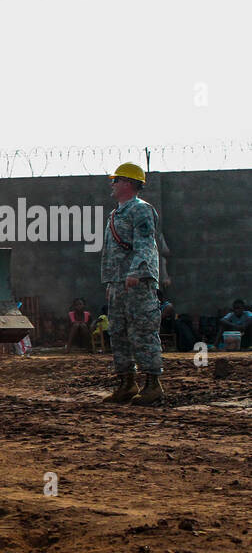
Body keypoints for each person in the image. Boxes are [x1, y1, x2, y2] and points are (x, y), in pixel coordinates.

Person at [100, 162, 164, 404]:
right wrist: (110, 282)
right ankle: (127, 383)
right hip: (118, 283)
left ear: (128, 182)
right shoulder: (116, 213)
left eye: (116, 180)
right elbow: (112, 251)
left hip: (137, 282)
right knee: (118, 333)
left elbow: (146, 244)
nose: (113, 184)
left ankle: (152, 384)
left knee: (143, 331)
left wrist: (136, 272)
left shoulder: (140, 210)